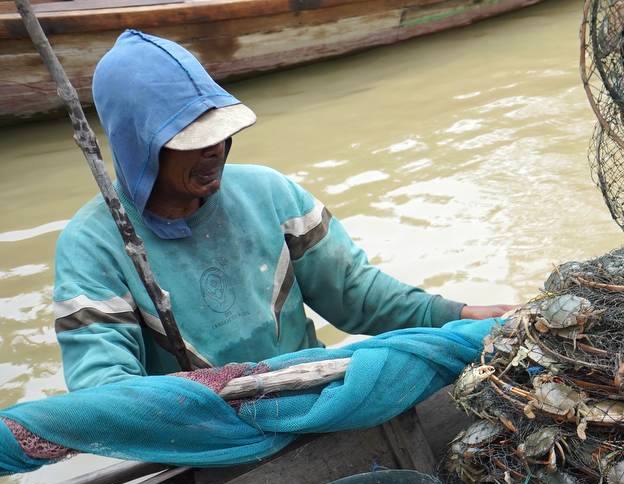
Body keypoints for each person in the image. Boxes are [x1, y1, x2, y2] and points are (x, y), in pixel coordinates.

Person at [53, 31, 513, 390]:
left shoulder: (270, 194)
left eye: (219, 131)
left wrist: (458, 313)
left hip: (311, 397)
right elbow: (102, 386)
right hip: (202, 435)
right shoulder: (92, 247)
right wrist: (194, 399)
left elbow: (355, 293)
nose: (214, 149)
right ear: (140, 146)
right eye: (192, 139)